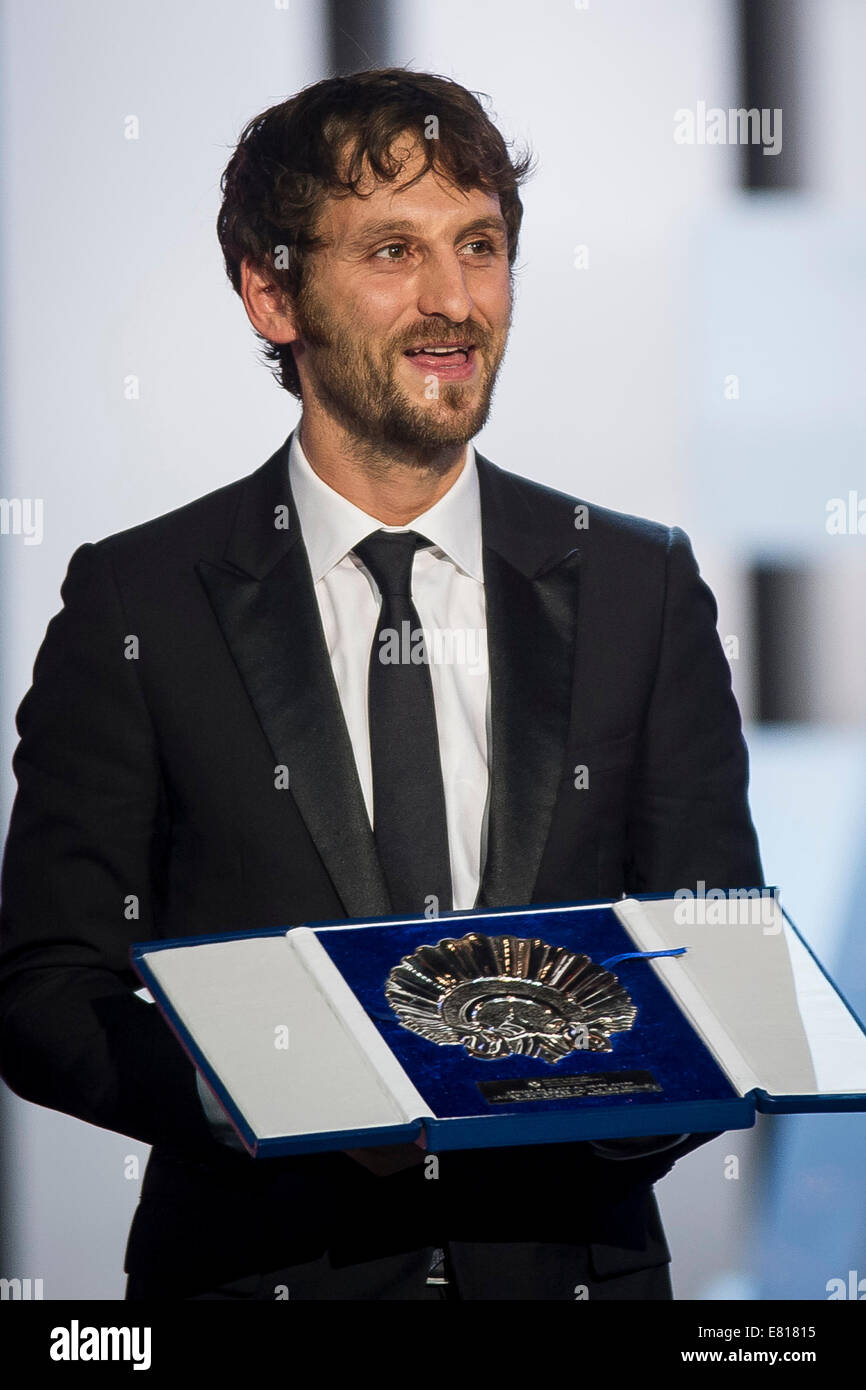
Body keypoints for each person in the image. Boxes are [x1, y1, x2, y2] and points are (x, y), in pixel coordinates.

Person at [0, 68, 763, 1301]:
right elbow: (50, 990)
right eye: (393, 250)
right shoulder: (139, 601)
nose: (453, 300)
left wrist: (590, 1096)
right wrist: (249, 1088)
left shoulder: (643, 587)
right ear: (269, 289)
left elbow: (717, 957)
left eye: (480, 245)